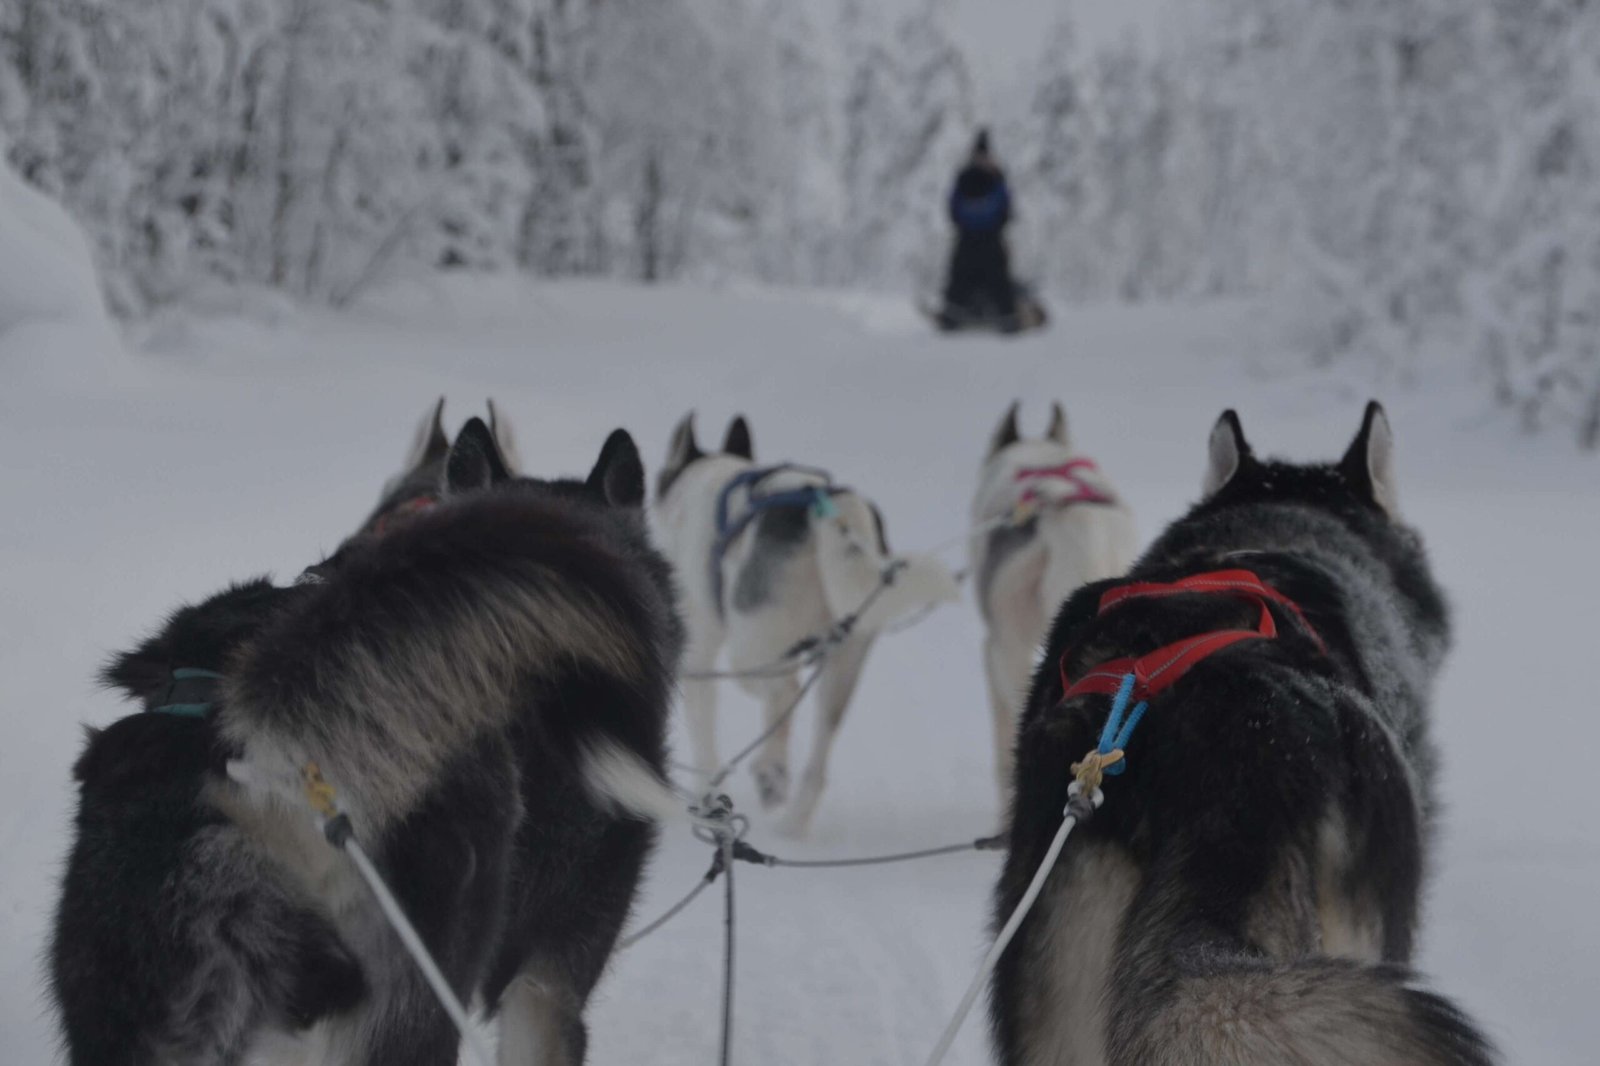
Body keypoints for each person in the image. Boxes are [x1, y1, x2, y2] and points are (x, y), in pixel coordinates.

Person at [941, 128, 1021, 329]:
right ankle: (955, 313)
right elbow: (954, 205)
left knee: (993, 276)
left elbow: (1004, 205)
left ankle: (1005, 315)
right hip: (975, 237)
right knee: (965, 275)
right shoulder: (973, 177)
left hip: (983, 237)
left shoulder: (987, 177)